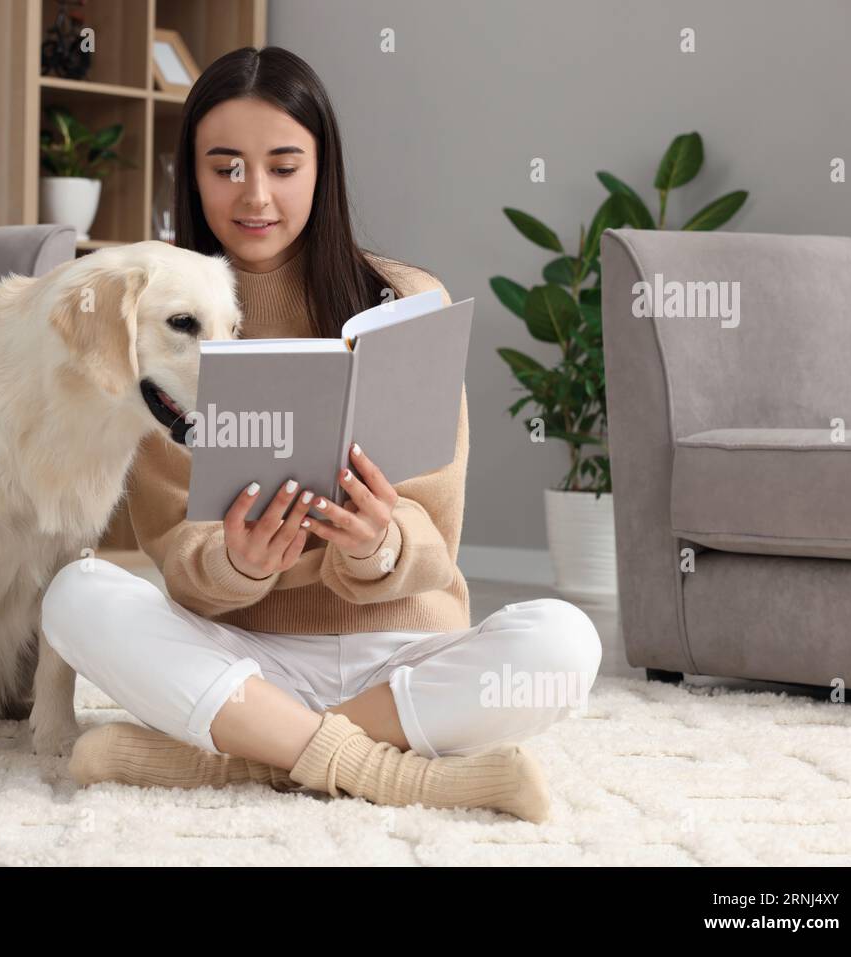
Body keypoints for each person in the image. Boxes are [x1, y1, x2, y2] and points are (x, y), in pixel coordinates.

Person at [40, 46, 601, 823]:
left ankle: (242, 757)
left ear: (321, 168)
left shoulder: (407, 299)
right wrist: (236, 562)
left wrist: (380, 545)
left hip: (399, 654)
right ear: (192, 173)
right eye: (225, 166)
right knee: (77, 594)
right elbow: (171, 545)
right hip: (244, 657)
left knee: (564, 643)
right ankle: (388, 772)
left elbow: (436, 535)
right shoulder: (159, 322)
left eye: (283, 164)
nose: (255, 195)